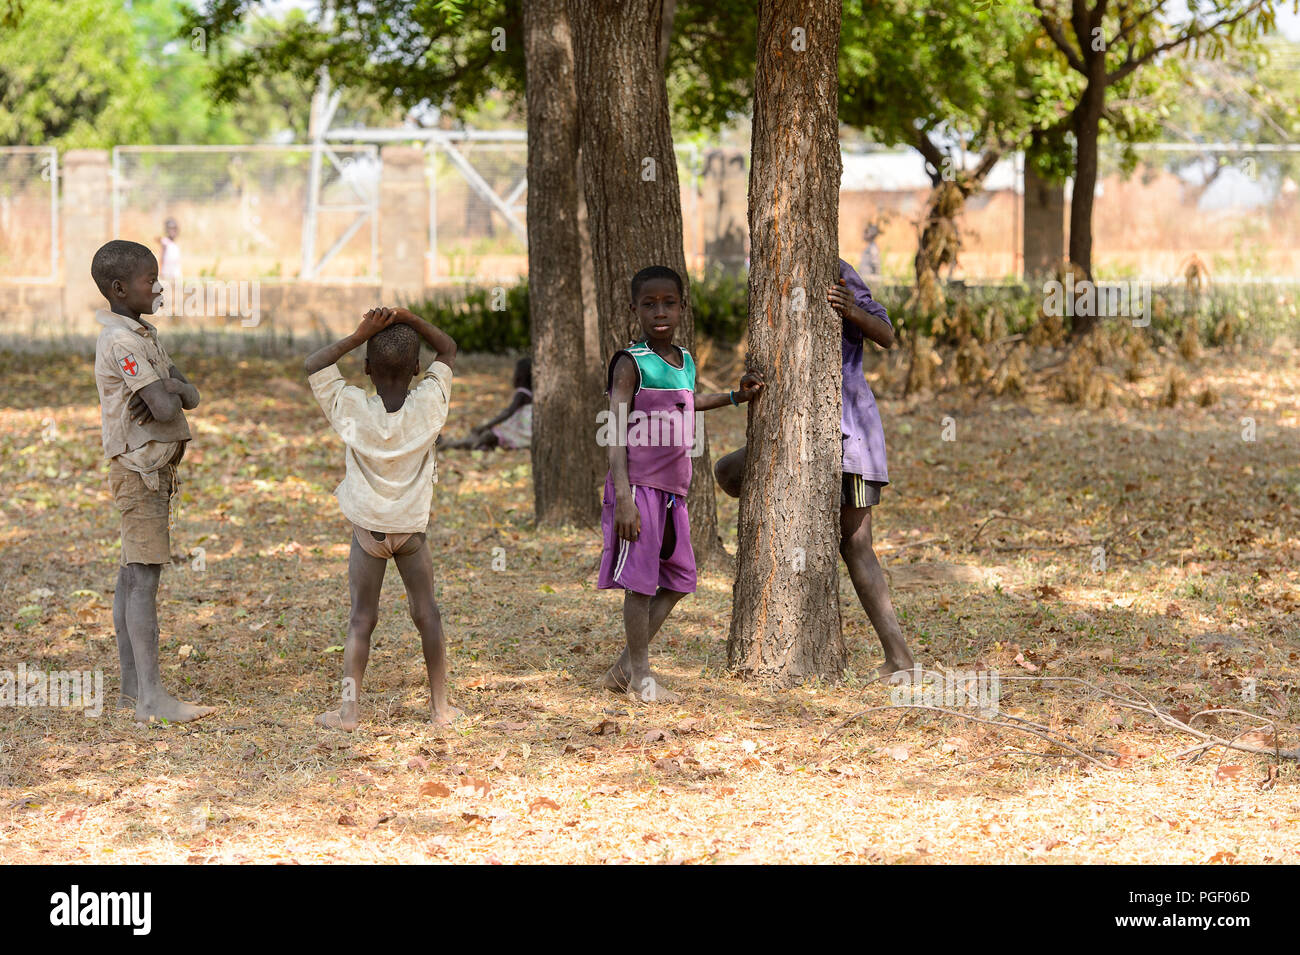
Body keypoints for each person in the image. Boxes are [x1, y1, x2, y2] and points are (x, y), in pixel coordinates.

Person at [714, 258, 914, 678]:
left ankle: (900, 658)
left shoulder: (836, 270)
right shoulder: (769, 268)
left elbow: (887, 336)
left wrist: (851, 310)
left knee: (856, 543)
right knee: (727, 472)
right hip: (793, 435)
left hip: (851, 432)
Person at [597, 265, 763, 704]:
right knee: (639, 584)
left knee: (679, 579)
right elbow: (613, 432)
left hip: (674, 494)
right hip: (639, 490)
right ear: (635, 309)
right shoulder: (630, 364)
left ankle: (623, 668)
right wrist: (626, 497)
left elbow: (689, 401)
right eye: (649, 304)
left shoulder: (685, 360)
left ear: (682, 305)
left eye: (669, 302)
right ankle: (641, 678)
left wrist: (734, 396)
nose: (660, 312)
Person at [304, 306, 461, 730]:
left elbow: (314, 364)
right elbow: (447, 348)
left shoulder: (351, 406)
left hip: (368, 531)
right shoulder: (431, 403)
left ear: (367, 368)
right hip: (411, 531)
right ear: (416, 368)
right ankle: (441, 709)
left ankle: (349, 711)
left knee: (361, 619)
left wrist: (359, 335)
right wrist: (410, 316)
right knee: (427, 612)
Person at [91, 239, 215, 723]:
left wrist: (172, 387)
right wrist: (170, 392)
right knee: (143, 579)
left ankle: (130, 690)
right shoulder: (122, 343)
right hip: (139, 473)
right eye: (149, 280)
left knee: (131, 575)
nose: (158, 286)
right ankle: (151, 699)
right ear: (120, 288)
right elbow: (167, 408)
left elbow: (191, 395)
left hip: (149, 471)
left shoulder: (143, 334)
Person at [442, 357, 532, 450]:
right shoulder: (532, 393)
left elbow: (508, 412)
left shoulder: (522, 393)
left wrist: (486, 426)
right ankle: (473, 445)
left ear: (520, 376)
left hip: (517, 432)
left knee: (485, 435)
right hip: (524, 433)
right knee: (488, 437)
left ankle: (449, 445)